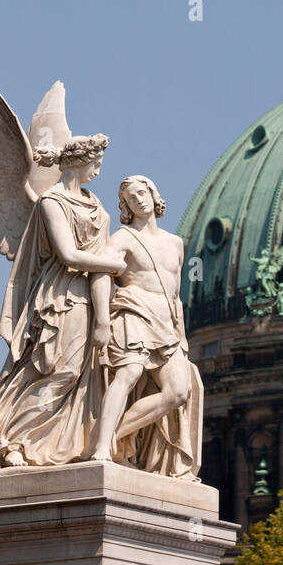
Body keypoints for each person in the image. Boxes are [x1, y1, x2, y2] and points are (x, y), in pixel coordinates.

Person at [0, 135, 126, 471]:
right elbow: (67, 255)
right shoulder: (51, 201)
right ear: (79, 161)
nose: (97, 171)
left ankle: (59, 444)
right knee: (56, 370)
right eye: (95, 164)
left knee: (84, 375)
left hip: (94, 295)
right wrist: (116, 265)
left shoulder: (96, 204)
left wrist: (105, 313)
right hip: (62, 295)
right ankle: (13, 440)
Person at [88, 175, 202, 479]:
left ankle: (114, 436)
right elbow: (100, 273)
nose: (138, 200)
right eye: (130, 198)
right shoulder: (123, 237)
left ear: (153, 194)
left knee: (178, 392)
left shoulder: (175, 243)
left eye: (142, 193)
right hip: (134, 311)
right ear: (125, 206)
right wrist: (101, 320)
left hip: (167, 323)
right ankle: (101, 447)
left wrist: (181, 335)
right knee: (128, 374)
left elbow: (175, 294)